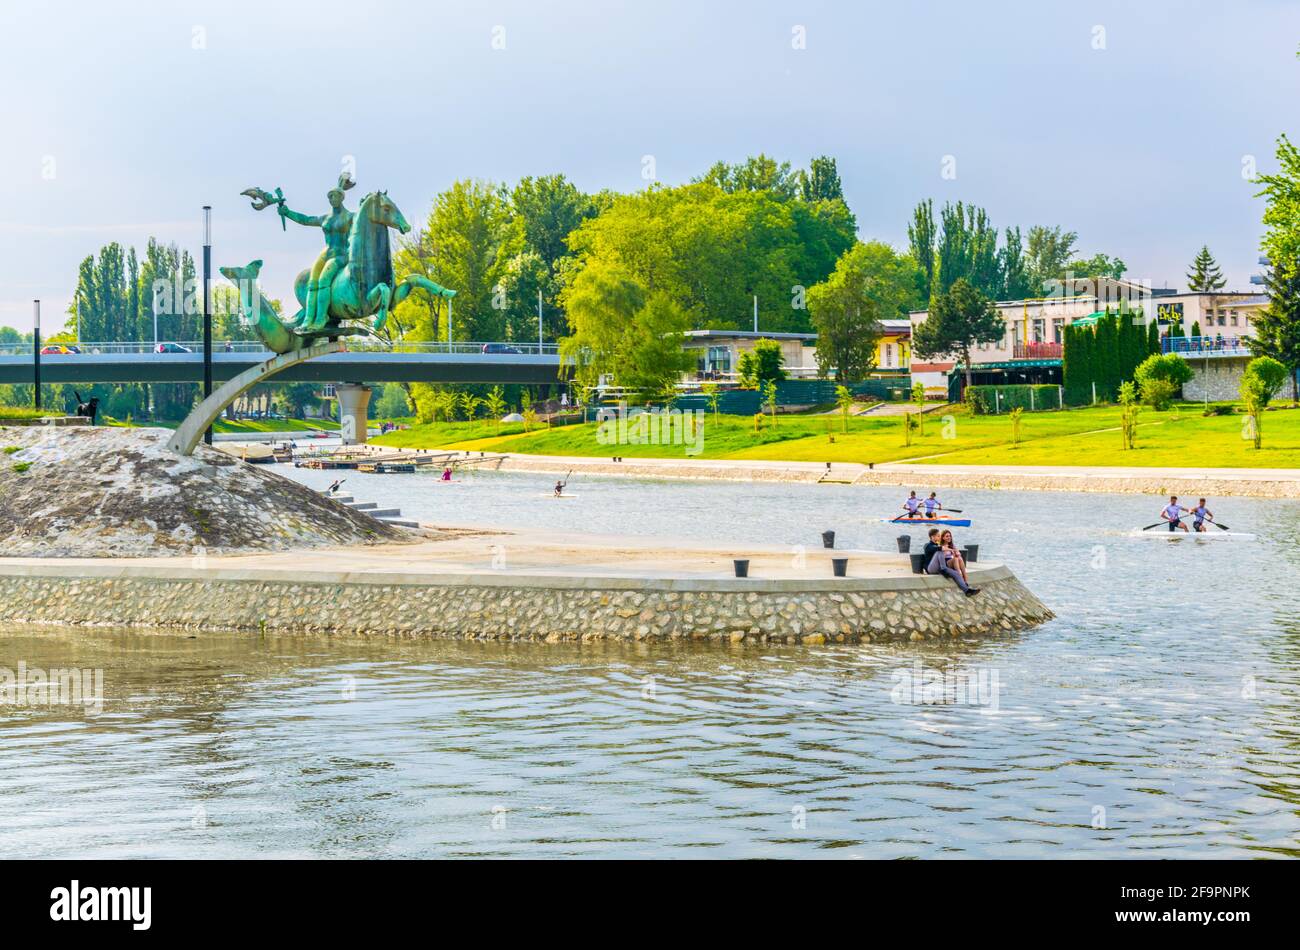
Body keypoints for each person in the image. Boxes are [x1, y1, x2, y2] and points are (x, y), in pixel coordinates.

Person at [923, 528, 979, 596]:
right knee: (940, 551)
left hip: (940, 568)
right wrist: (951, 550)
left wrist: (953, 551)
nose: (939, 537)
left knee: (956, 573)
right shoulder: (928, 546)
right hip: (931, 568)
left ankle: (967, 590)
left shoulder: (938, 545)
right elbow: (939, 549)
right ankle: (944, 569)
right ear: (932, 537)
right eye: (938, 536)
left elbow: (942, 549)